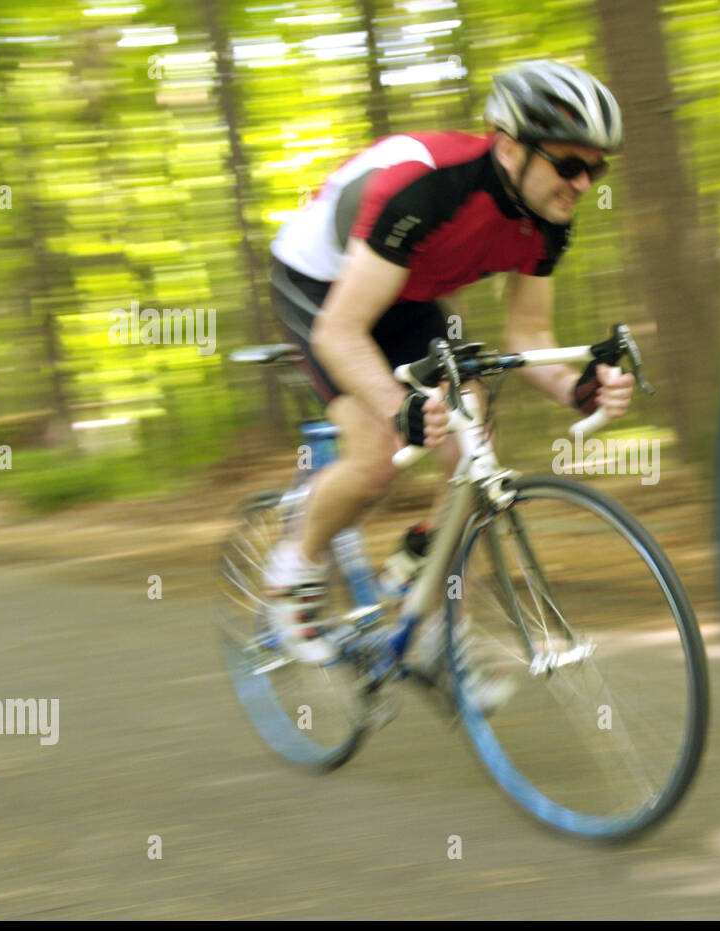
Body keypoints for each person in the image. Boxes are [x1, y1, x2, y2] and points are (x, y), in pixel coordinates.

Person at [263, 61, 635, 707]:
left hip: (406, 292)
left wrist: (581, 388)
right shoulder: (427, 189)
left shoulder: (548, 217)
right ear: (511, 147)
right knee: (379, 452)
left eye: (595, 169)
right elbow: (340, 334)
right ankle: (294, 570)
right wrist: (395, 406)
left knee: (470, 444)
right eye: (569, 164)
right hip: (323, 287)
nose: (582, 183)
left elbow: (528, 337)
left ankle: (430, 613)